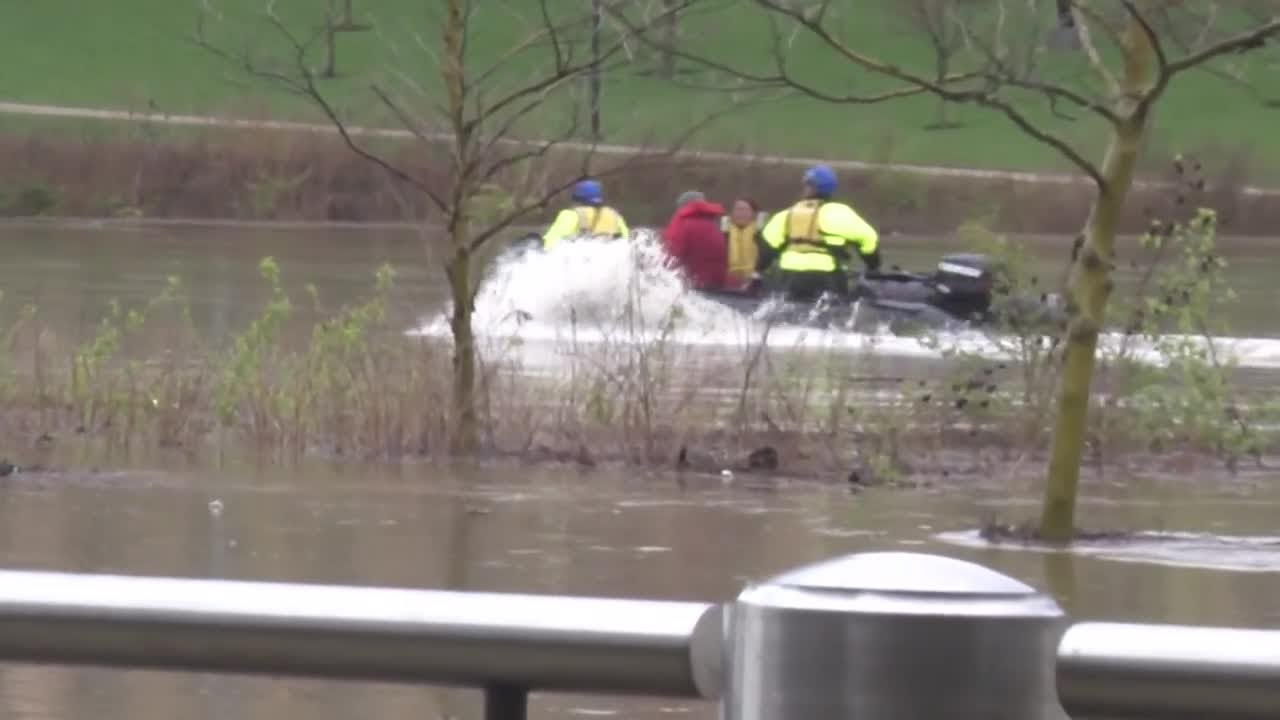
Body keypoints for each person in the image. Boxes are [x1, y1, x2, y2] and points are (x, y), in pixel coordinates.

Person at [757, 164, 880, 302]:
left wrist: (758, 271)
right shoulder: (839, 213)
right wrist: (872, 265)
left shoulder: (787, 214)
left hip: (789, 278)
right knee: (833, 314)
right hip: (825, 278)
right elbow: (869, 238)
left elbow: (765, 253)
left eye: (806, 185)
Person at [662, 190, 729, 290]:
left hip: (693, 286)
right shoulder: (713, 224)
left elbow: (671, 256)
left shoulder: (682, 224)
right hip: (717, 284)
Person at [541, 179, 629, 250]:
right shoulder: (615, 215)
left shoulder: (570, 215)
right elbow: (627, 241)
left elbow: (550, 243)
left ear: (577, 198)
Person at [721, 197, 763, 289]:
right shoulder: (724, 234)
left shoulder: (761, 235)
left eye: (745, 210)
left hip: (755, 282)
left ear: (753, 213)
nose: (741, 214)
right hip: (728, 282)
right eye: (738, 210)